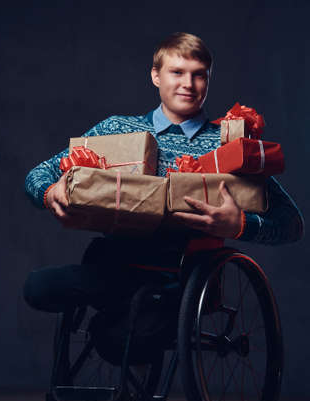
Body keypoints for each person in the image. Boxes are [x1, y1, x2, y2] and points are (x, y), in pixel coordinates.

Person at [23, 32, 304, 313]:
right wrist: (50, 192)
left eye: (199, 75)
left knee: (131, 333)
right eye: (177, 72)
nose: (188, 84)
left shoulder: (227, 145)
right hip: (115, 266)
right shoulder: (117, 128)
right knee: (39, 287)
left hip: (181, 277)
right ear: (156, 76)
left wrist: (240, 225)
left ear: (208, 80)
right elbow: (38, 174)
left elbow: (291, 223)